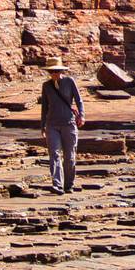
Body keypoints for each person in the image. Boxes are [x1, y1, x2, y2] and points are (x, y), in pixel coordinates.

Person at [40, 61, 85, 195]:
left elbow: (79, 100)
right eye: (51, 72)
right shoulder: (46, 86)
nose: (54, 74)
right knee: (54, 154)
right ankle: (57, 185)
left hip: (68, 124)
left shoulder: (69, 82)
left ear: (61, 71)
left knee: (69, 156)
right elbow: (44, 107)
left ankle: (68, 185)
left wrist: (82, 115)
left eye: (56, 71)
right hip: (52, 124)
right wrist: (42, 125)